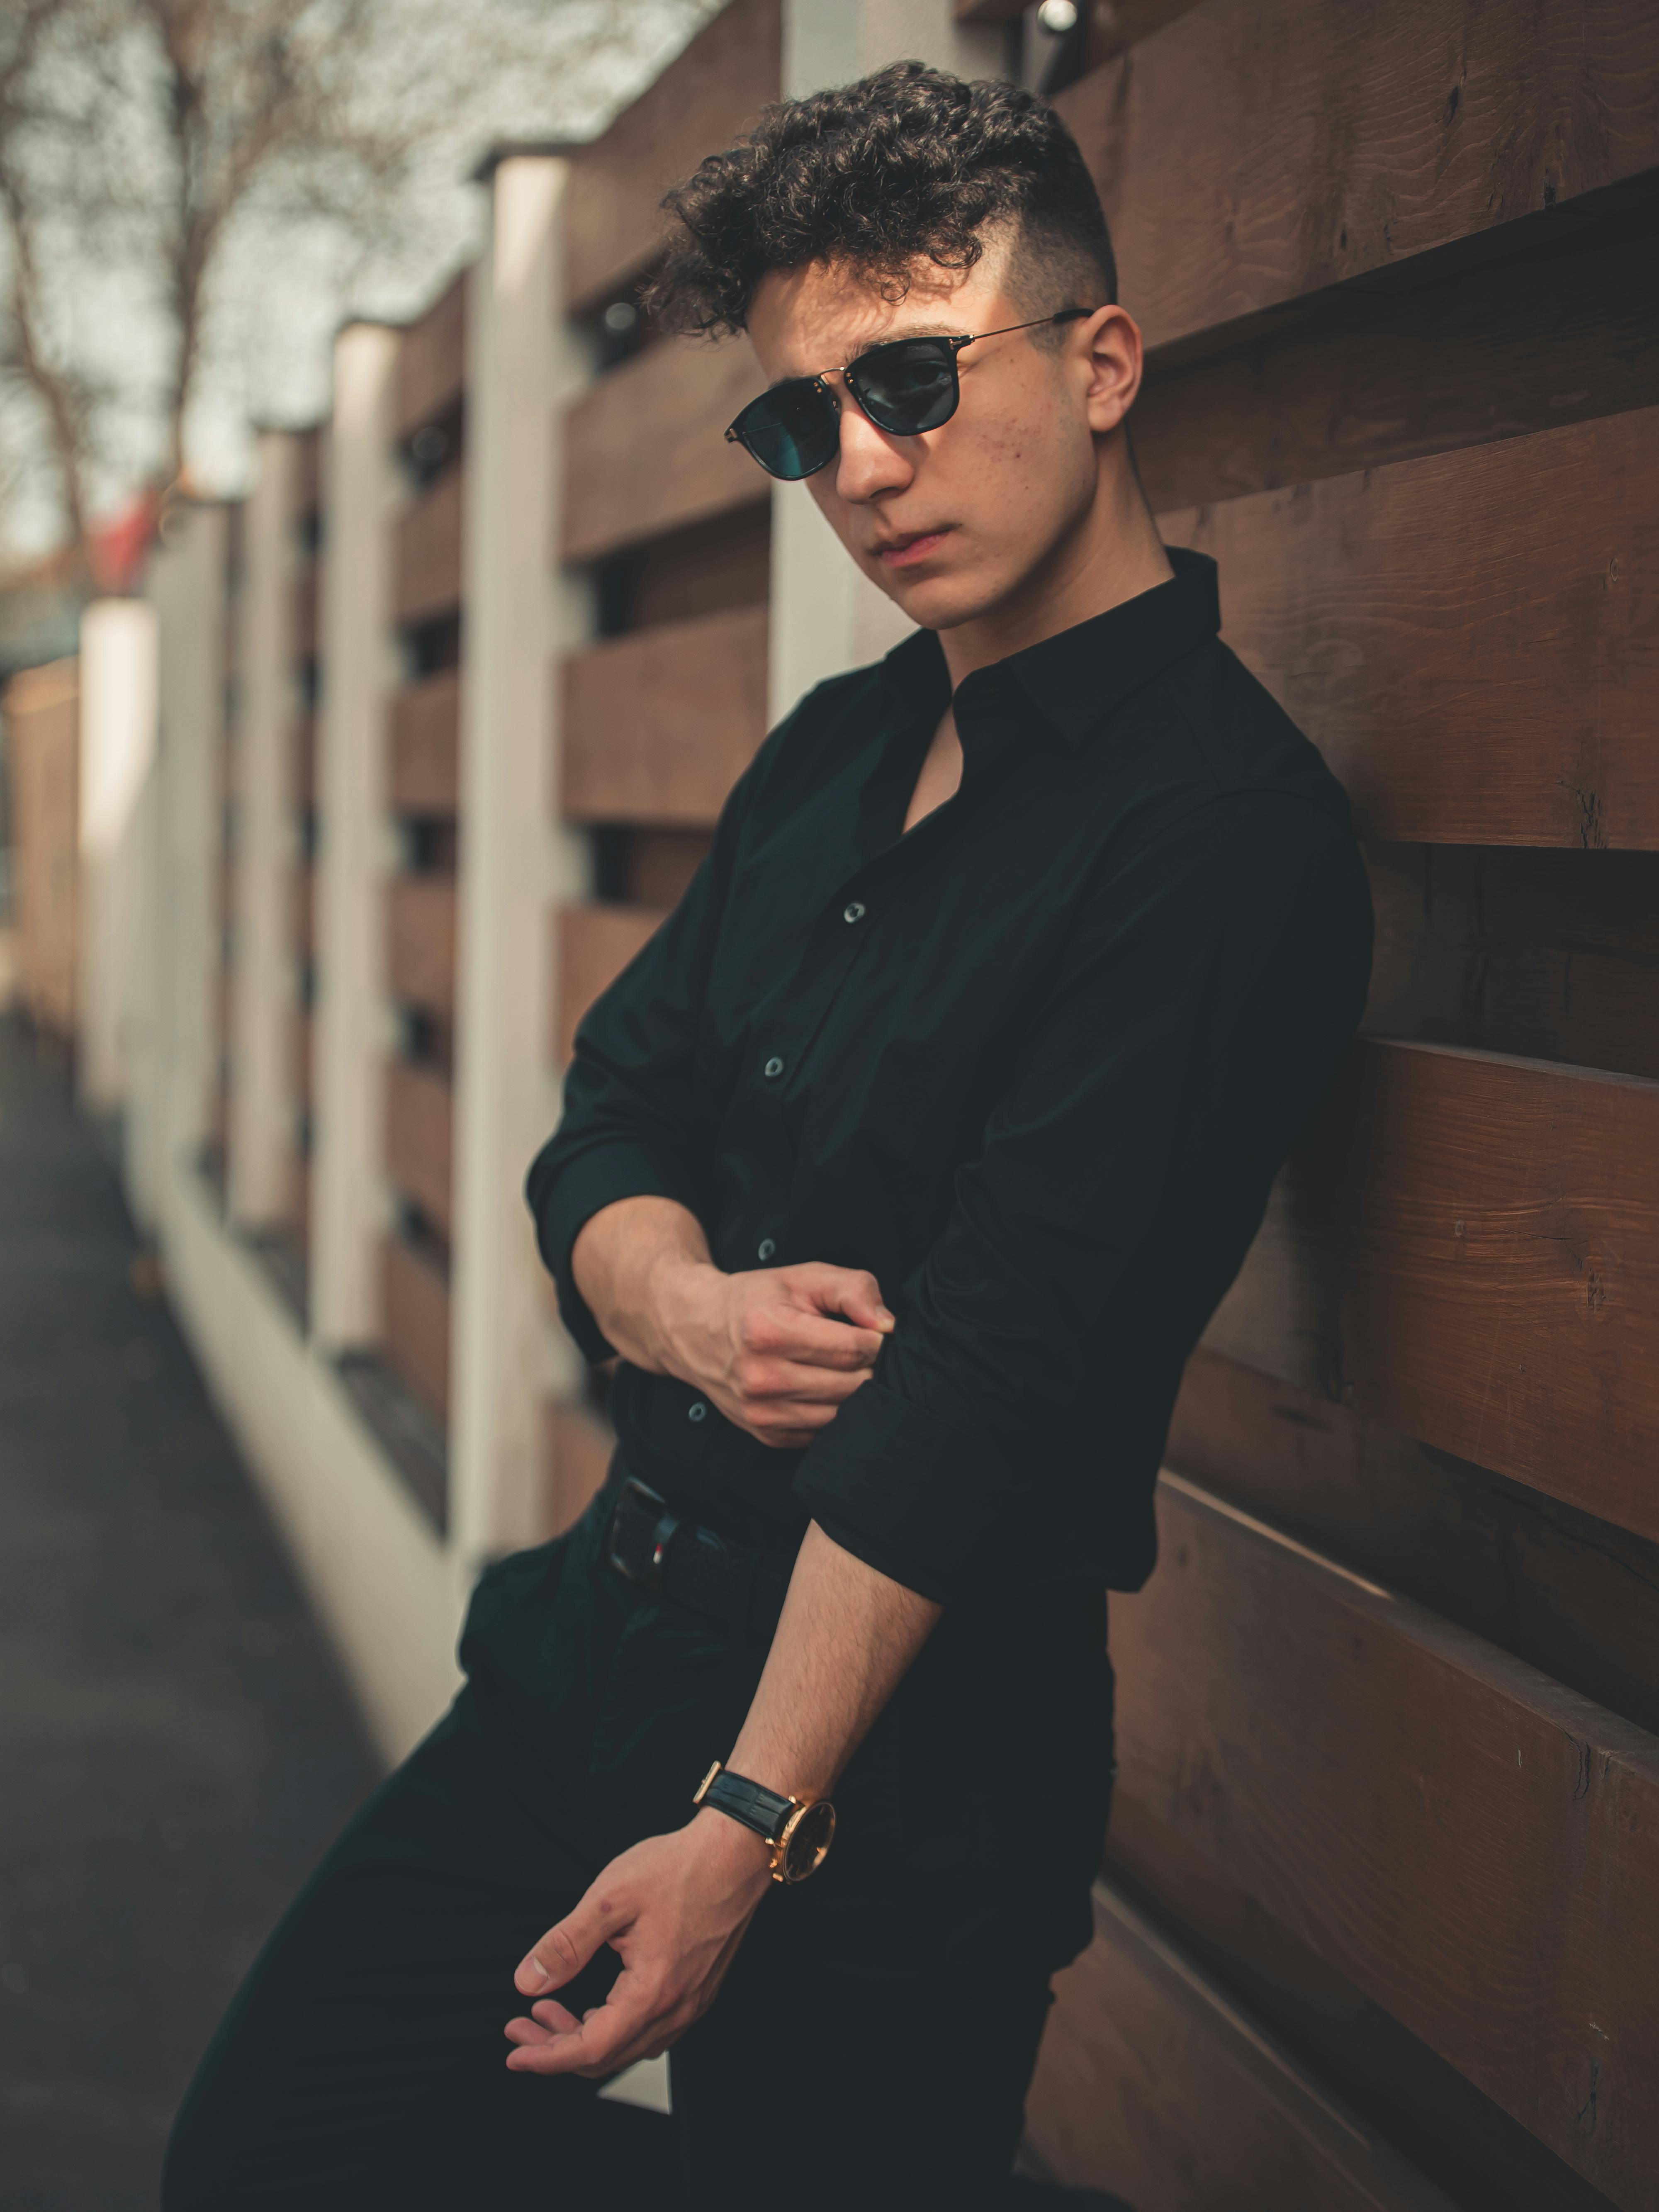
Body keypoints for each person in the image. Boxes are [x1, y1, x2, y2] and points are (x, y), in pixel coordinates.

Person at [163, 60, 1372, 2212]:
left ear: (1104, 365)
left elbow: (991, 1383)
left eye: (913, 377)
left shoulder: (1221, 839)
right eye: (803, 421)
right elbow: (606, 1118)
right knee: (277, 2143)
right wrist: (690, 1310)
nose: (864, 466)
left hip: (892, 1777)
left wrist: (750, 1825)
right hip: (607, 1632)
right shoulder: (839, 743)